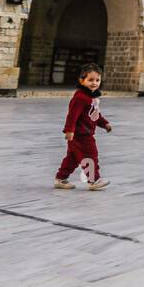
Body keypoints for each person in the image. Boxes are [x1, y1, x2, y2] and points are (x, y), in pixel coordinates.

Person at [54, 62, 113, 191]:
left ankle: (60, 179)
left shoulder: (92, 97)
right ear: (82, 81)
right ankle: (94, 180)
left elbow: (94, 114)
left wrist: (104, 123)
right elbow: (72, 115)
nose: (94, 83)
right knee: (90, 155)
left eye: (97, 80)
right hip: (81, 134)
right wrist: (69, 130)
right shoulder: (80, 98)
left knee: (73, 158)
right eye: (90, 80)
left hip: (84, 133)